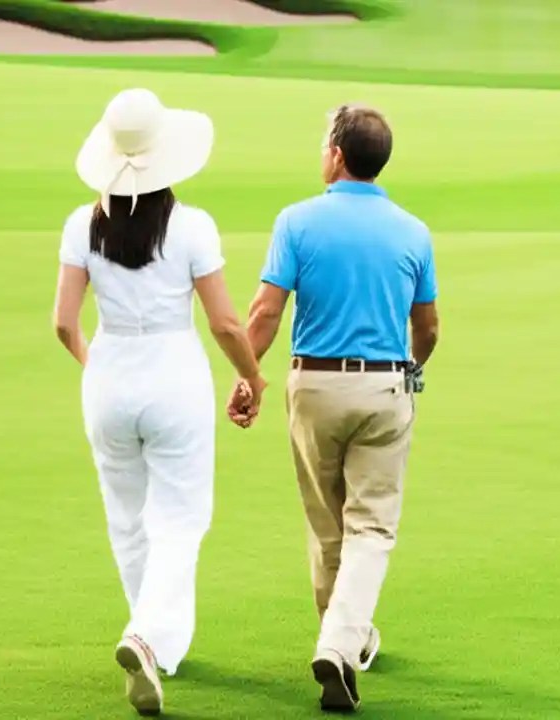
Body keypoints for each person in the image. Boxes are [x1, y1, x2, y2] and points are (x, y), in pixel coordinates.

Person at [53, 88, 265, 717]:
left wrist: (99, 367)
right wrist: (252, 377)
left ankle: (157, 642)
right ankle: (146, 636)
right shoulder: (192, 225)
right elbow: (225, 323)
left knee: (127, 517)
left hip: (109, 376)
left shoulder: (81, 224)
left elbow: (64, 323)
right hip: (175, 376)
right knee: (181, 518)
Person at [230, 105, 440, 712]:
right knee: (370, 527)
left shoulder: (296, 221)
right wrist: (412, 369)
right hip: (383, 387)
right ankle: (342, 642)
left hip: (314, 386)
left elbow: (265, 312)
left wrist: (248, 376)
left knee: (328, 526)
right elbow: (427, 327)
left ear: (338, 154)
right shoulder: (413, 231)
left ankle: (340, 637)